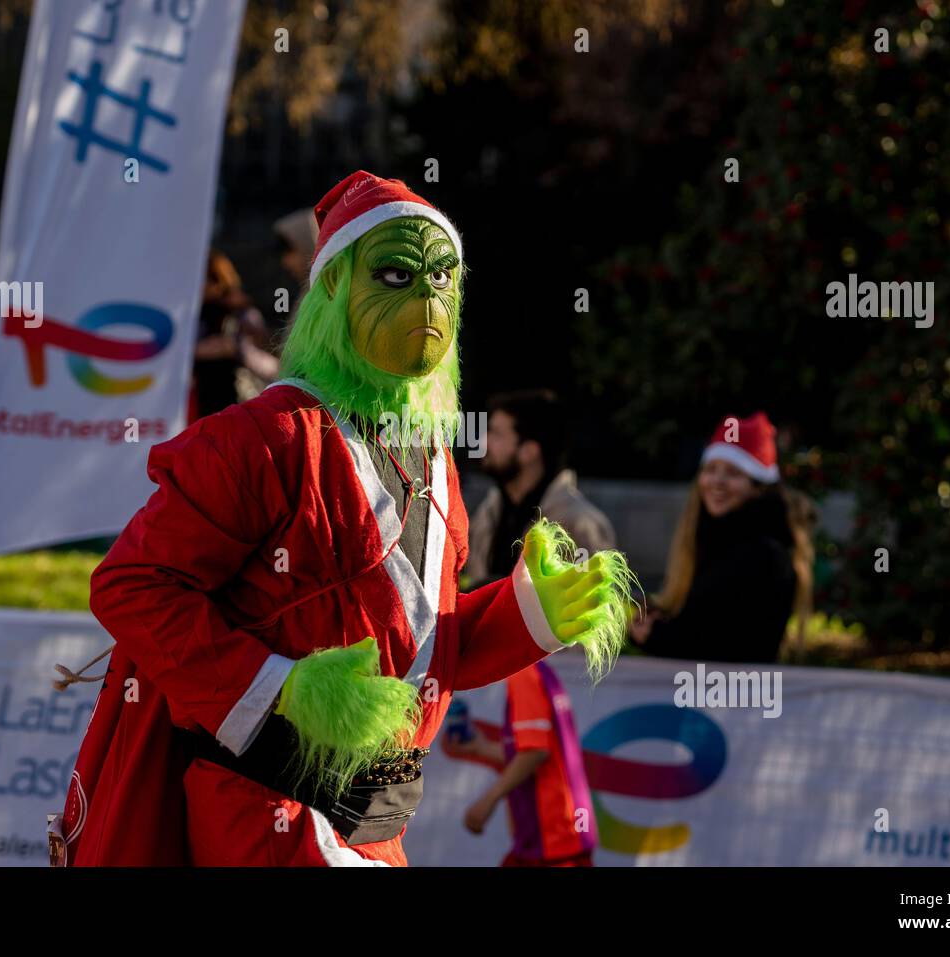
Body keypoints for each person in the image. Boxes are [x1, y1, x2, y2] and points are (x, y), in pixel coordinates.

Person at [56, 171, 634, 867]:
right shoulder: (264, 437)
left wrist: (528, 615)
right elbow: (132, 583)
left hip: (376, 827)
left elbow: (427, 650)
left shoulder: (434, 458)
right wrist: (283, 685)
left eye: (444, 278)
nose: (427, 298)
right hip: (266, 812)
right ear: (332, 289)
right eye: (395, 273)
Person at [628, 411, 814, 664]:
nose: (717, 481)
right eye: (711, 469)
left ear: (758, 487)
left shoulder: (767, 555)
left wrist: (658, 636)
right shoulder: (707, 540)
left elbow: (736, 646)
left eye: (733, 473)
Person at [450, 657, 597, 866]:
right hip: (560, 831)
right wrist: (480, 748)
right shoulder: (541, 669)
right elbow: (537, 751)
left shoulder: (523, 672)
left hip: (554, 835)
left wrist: (487, 800)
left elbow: (535, 752)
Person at [465, 389, 616, 589]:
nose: (483, 442)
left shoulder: (579, 525)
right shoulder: (488, 513)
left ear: (529, 451)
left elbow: (596, 610)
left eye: (496, 434)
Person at [192, 251, 279, 417]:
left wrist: (236, 347)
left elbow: (265, 353)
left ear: (218, 280)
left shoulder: (240, 312)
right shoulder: (194, 313)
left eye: (205, 279)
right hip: (202, 399)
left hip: (238, 396)